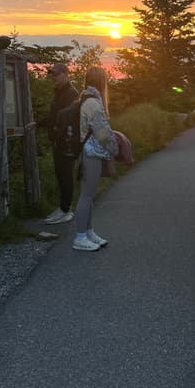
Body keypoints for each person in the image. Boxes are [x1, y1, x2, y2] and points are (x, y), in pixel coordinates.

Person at [73, 65, 118, 251]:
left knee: (89, 195)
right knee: (86, 195)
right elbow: (102, 133)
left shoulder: (85, 98)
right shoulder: (93, 103)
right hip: (91, 153)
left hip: (88, 152)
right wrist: (115, 147)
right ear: (101, 81)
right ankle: (80, 237)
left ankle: (88, 231)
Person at [45, 62, 80, 224]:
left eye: (57, 74)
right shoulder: (59, 92)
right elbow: (54, 116)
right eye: (53, 74)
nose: (54, 77)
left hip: (66, 142)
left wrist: (61, 134)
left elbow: (66, 118)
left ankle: (66, 210)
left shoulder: (71, 93)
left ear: (66, 74)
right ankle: (63, 208)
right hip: (58, 141)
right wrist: (37, 123)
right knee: (60, 175)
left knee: (66, 176)